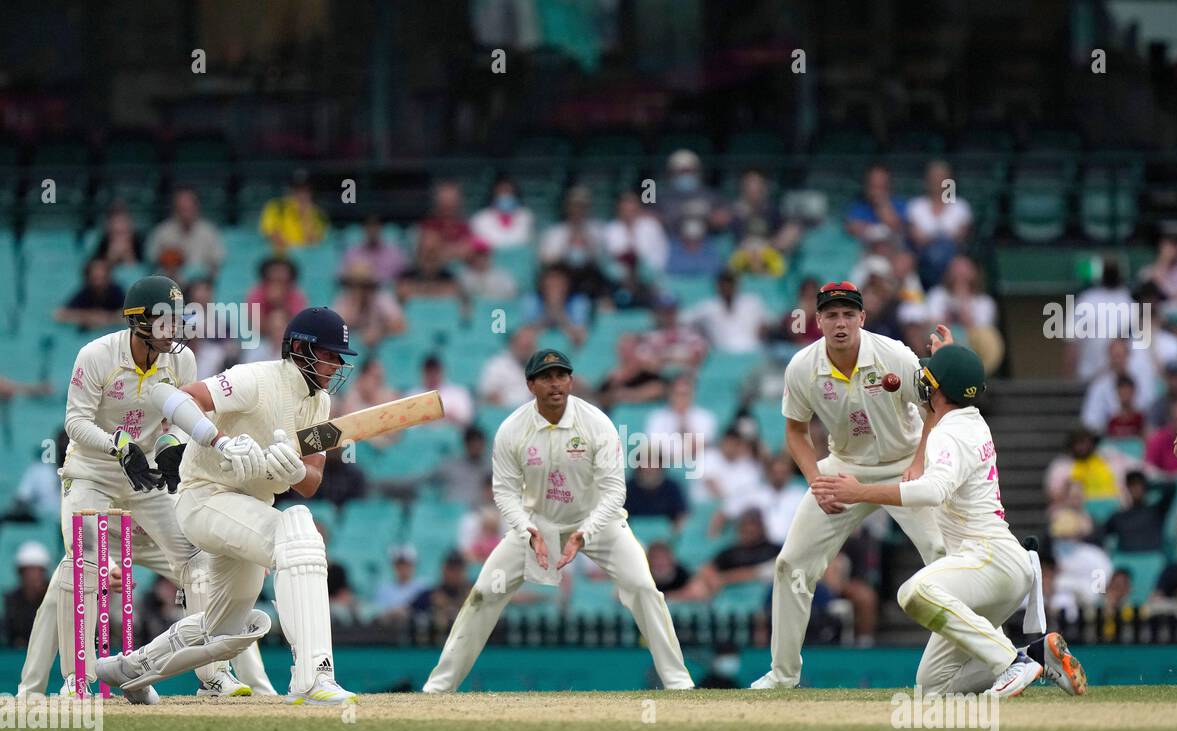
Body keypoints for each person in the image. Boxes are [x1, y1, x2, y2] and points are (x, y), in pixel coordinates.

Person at [96, 306, 360, 705]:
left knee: (224, 629)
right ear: (301, 348)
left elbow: (312, 481)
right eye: (329, 354)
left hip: (248, 511)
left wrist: (292, 472)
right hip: (205, 497)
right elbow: (177, 397)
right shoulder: (257, 379)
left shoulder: (319, 404)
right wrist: (220, 440)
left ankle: (128, 669)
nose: (337, 364)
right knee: (298, 531)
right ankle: (313, 677)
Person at [26, 275, 263, 701]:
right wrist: (119, 446)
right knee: (86, 563)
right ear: (138, 322)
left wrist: (172, 446)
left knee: (197, 561)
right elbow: (75, 423)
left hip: (146, 478)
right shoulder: (96, 355)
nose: (172, 329)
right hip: (91, 474)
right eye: (163, 321)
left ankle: (212, 675)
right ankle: (77, 680)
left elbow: (176, 419)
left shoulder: (182, 361)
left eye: (176, 320)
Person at [812, 343, 1087, 697]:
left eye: (929, 380)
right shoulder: (970, 421)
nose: (922, 386)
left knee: (914, 592)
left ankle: (1009, 662)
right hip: (998, 570)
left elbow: (933, 491)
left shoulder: (949, 434)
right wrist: (949, 362)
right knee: (933, 687)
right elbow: (941, 420)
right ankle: (1033, 656)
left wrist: (858, 492)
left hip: (989, 560)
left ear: (938, 390)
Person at [423, 349, 694, 692]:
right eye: (546, 378)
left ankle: (678, 682)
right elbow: (504, 492)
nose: (556, 384)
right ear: (530, 385)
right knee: (483, 594)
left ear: (571, 380)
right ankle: (439, 688)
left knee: (643, 587)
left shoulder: (596, 423)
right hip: (538, 524)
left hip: (599, 522)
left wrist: (586, 532)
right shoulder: (512, 429)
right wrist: (527, 530)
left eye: (562, 376)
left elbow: (614, 491)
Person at [749, 282, 947, 690]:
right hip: (844, 467)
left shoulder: (893, 355)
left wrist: (918, 461)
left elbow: (935, 408)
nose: (840, 323)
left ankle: (979, 659)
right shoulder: (802, 367)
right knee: (790, 565)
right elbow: (796, 433)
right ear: (818, 321)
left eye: (848, 315)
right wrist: (817, 481)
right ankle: (783, 676)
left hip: (903, 465)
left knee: (945, 558)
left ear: (862, 318)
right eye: (831, 316)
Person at [146, 187, 226, 278]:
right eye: (182, 209)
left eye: (189, 208)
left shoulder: (209, 231)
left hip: (200, 284)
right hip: (170, 282)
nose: (185, 214)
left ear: (196, 208)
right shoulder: (162, 232)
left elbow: (217, 262)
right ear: (175, 209)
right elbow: (151, 260)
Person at [259, 171, 328, 249]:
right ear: (290, 190)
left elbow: (313, 244)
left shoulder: (319, 214)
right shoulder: (276, 207)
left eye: (305, 190)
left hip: (305, 257)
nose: (301, 194)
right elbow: (273, 236)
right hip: (281, 256)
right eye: (297, 190)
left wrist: (306, 216)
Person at [55, 258, 125, 331]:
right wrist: (88, 316)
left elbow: (130, 315)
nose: (99, 282)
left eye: (102, 277)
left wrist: (108, 318)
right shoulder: (85, 292)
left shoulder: (116, 291)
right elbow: (59, 315)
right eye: (96, 278)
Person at [341, 214, 409, 286]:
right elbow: (342, 277)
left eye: (375, 226)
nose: (372, 230)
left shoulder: (394, 253)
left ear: (381, 228)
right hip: (360, 292)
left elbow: (405, 277)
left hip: (388, 293)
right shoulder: (353, 253)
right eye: (369, 226)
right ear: (364, 229)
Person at [5, 541, 51, 647]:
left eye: (36, 570)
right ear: (20, 573)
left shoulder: (56, 599)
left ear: (43, 572)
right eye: (27, 570)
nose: (32, 576)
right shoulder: (11, 600)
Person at [470, 177, 534, 249]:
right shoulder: (480, 219)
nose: (505, 196)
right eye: (501, 192)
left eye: (509, 192)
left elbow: (527, 243)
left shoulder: (525, 216)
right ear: (493, 195)